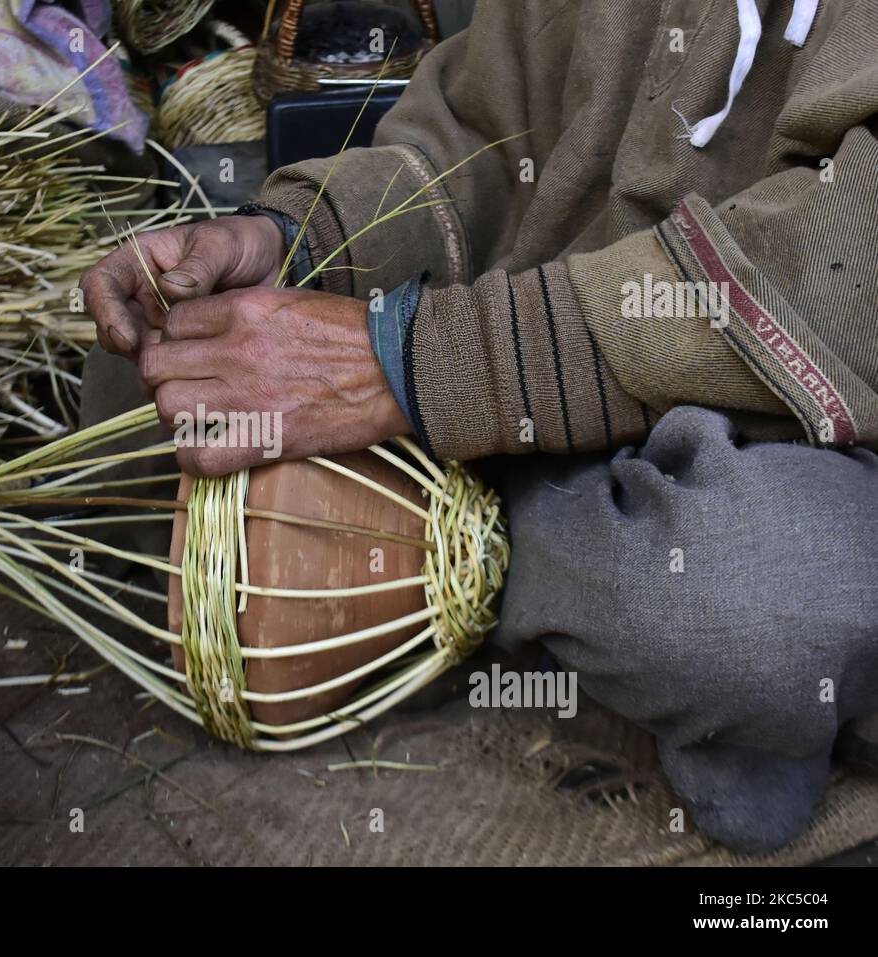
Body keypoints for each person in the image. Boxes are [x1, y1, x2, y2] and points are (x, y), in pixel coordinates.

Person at [80, 0, 878, 853]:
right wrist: (305, 243)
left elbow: (843, 268)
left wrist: (421, 364)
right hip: (538, 354)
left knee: (740, 601)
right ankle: (511, 548)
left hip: (802, 440)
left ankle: (458, 539)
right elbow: (475, 144)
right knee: (146, 358)